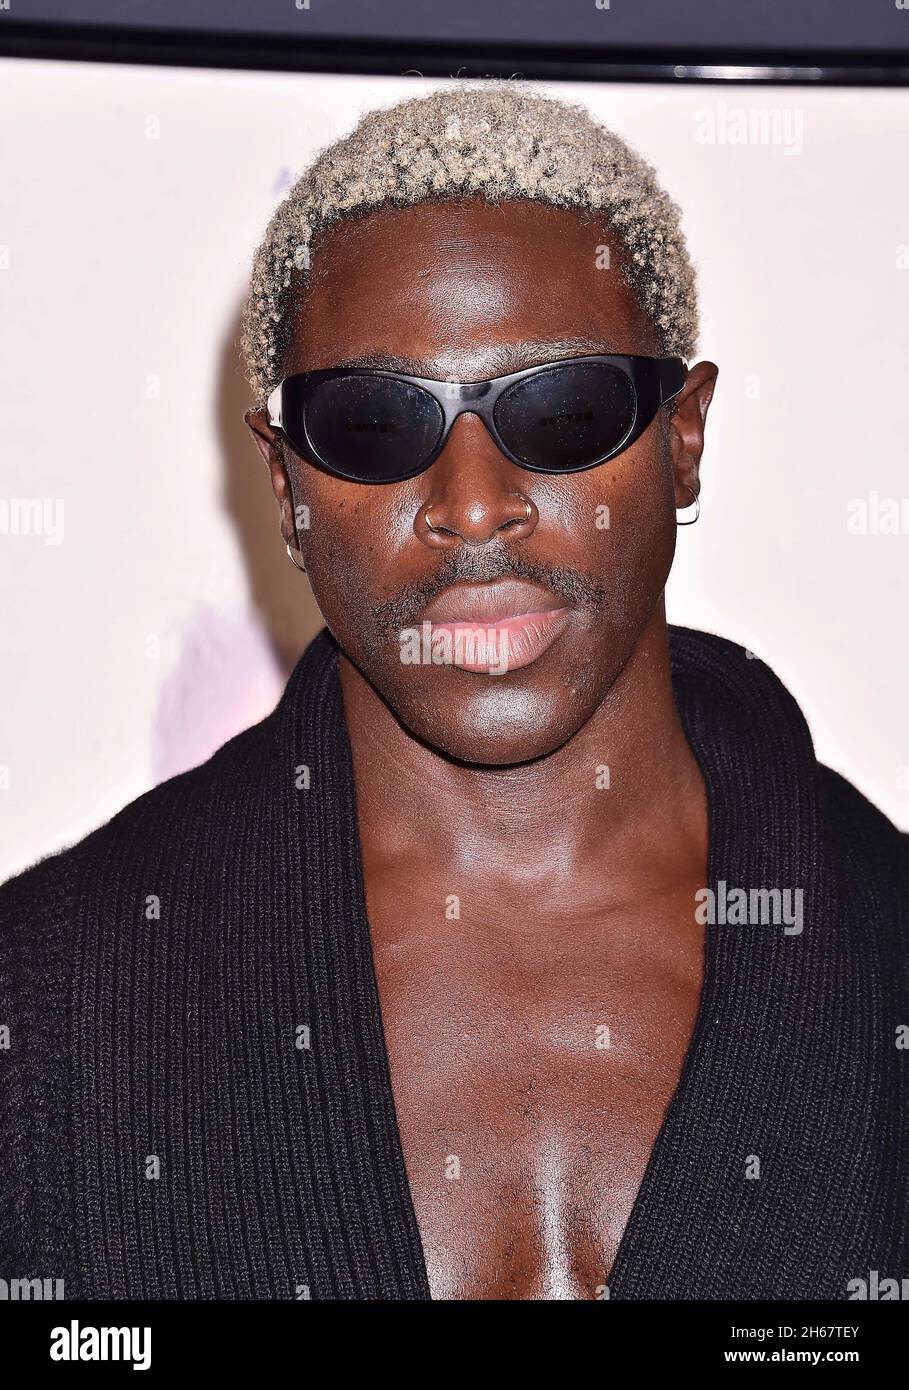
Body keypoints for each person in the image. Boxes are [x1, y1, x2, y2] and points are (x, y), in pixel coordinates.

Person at [1, 84, 906, 1301]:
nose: (474, 504)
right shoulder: (56, 1003)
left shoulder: (883, 947)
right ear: (286, 483)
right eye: (377, 423)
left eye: (562, 407)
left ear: (683, 435)